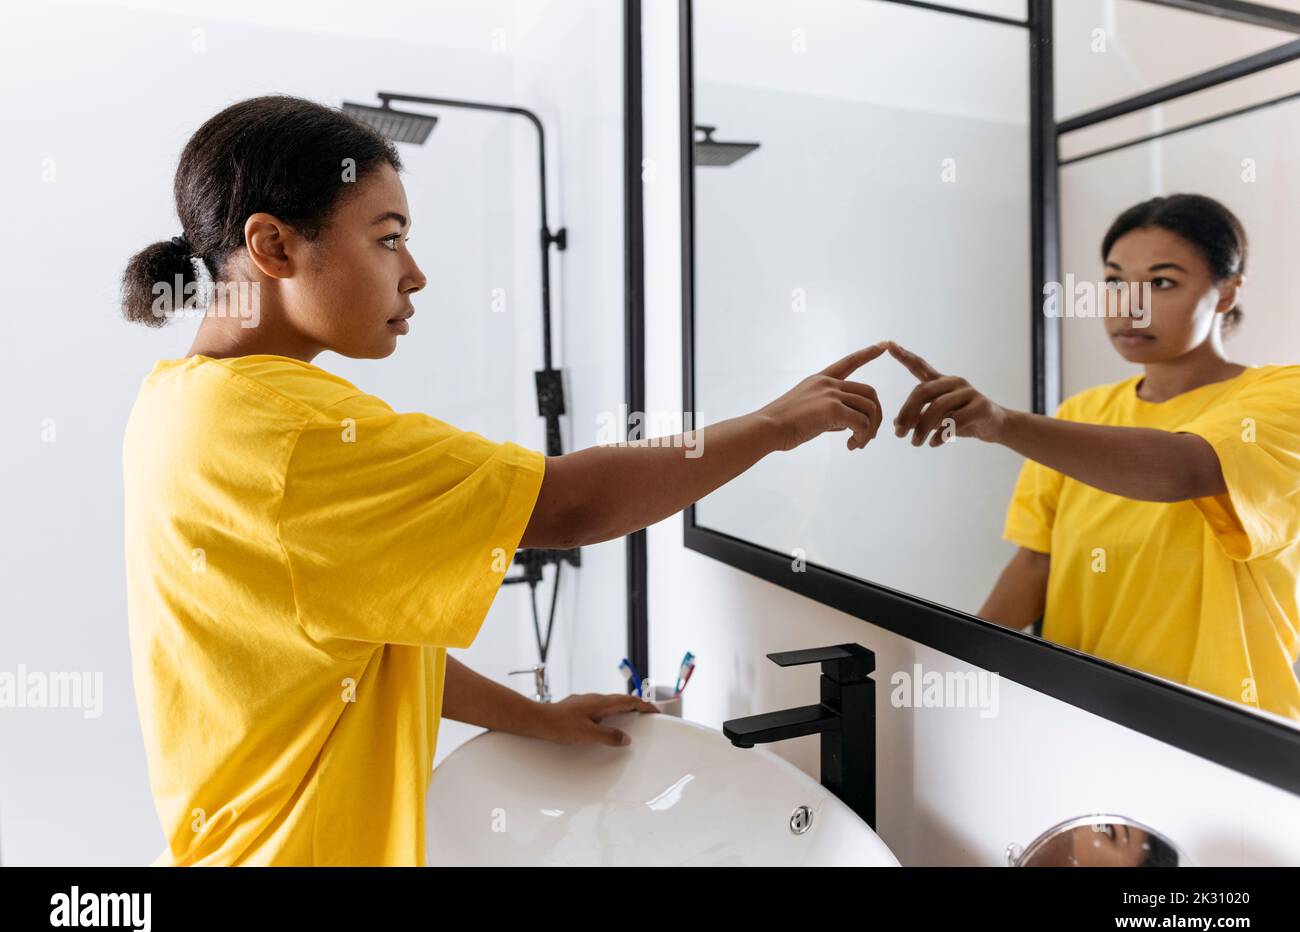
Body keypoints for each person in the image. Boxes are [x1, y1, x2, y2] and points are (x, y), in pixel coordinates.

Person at [119, 94, 887, 865]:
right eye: (388, 240)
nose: (414, 275)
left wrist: (534, 717)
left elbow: (362, 647)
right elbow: (568, 505)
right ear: (273, 247)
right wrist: (773, 426)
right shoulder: (289, 428)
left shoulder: (177, 405)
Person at [885, 194, 1300, 721]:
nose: (1130, 306)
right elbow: (1037, 562)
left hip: (1228, 731)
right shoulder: (1081, 413)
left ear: (1226, 292)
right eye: (1114, 281)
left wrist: (1002, 423)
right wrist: (952, 670)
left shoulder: (1285, 394)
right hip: (1084, 716)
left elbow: (1182, 467)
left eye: (1162, 282)